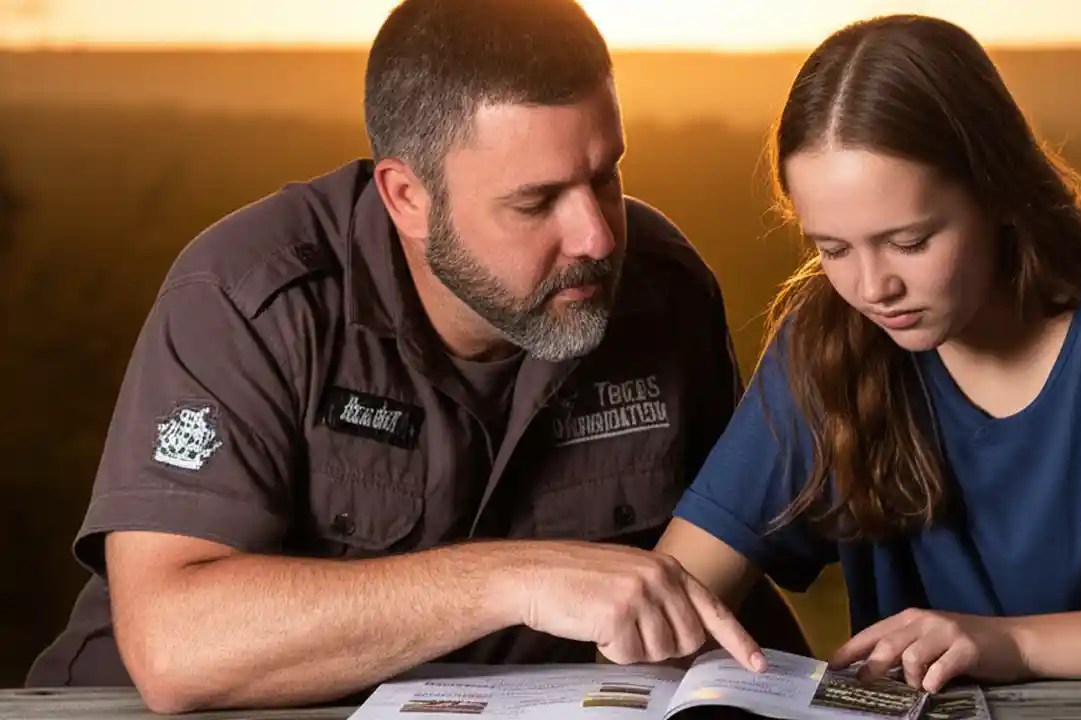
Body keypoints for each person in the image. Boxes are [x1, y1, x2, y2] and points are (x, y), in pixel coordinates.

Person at [27, 0, 805, 711]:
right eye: (536, 202)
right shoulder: (249, 297)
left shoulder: (664, 292)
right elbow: (175, 648)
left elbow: (715, 585)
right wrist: (517, 578)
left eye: (606, 177)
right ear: (407, 197)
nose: (598, 237)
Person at [657, 14, 1081, 694]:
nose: (872, 287)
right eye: (831, 249)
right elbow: (669, 594)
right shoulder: (826, 338)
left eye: (912, 241)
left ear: (999, 192)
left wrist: (1013, 644)